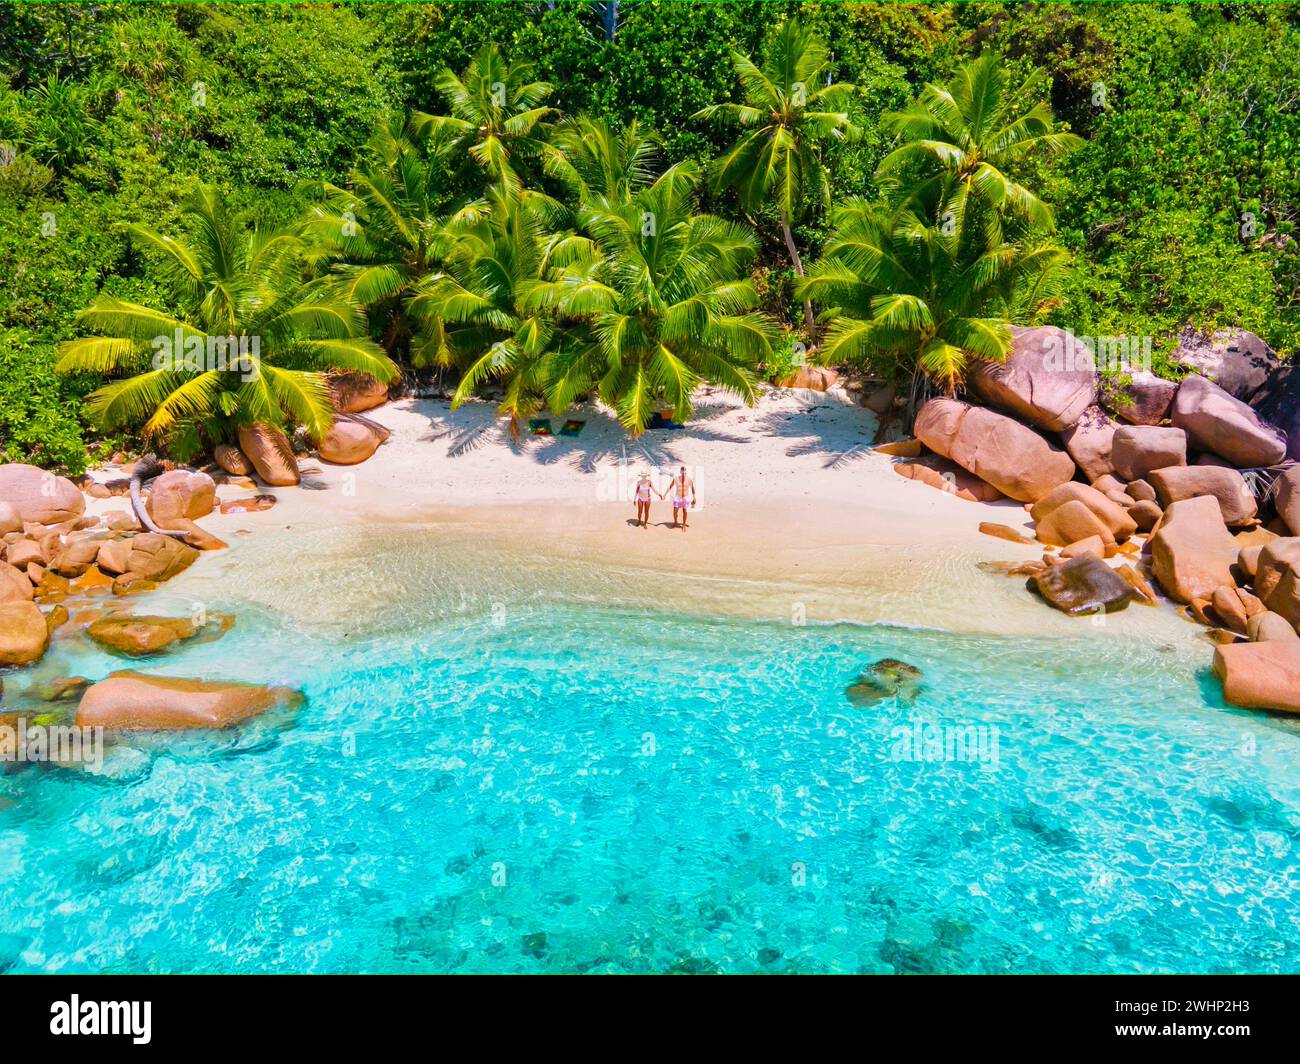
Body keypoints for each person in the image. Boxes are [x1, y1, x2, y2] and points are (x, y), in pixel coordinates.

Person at [668, 465, 695, 530]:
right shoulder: (676, 478)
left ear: (686, 472)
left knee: (684, 511)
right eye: (682, 471)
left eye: (684, 471)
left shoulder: (689, 479)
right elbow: (670, 486)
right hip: (677, 497)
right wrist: (665, 494)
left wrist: (694, 497)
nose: (683, 472)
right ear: (680, 472)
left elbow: (692, 489)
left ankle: (683, 525)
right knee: (675, 511)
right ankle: (675, 522)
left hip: (685, 497)